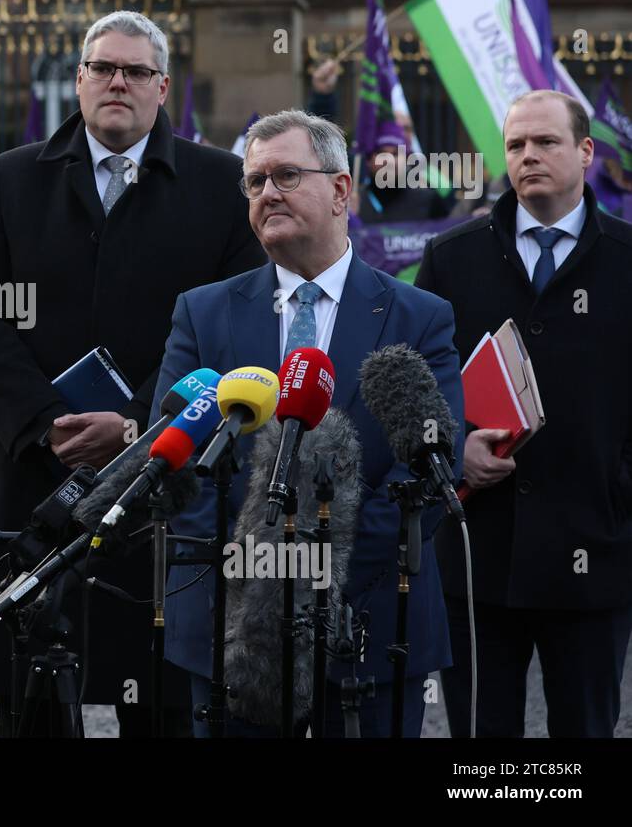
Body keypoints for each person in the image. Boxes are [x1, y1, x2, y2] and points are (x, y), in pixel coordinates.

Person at [0, 10, 267, 737]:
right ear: (79, 82)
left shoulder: (221, 183)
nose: (116, 82)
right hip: (36, 467)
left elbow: (234, 324)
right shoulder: (11, 178)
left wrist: (135, 424)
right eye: (102, 69)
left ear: (163, 87)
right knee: (29, 698)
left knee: (155, 700)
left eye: (134, 71)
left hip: (163, 471)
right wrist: (43, 423)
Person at [153, 109, 464, 737]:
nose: (268, 192)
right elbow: (173, 462)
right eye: (255, 181)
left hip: (372, 627)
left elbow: (429, 472)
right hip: (230, 629)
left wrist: (324, 573)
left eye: (287, 175)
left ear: (342, 189)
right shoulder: (203, 312)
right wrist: (256, 570)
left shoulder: (419, 317)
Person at [415, 89, 632, 737]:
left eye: (545, 142)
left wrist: (618, 490)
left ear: (586, 152)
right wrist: (454, 449)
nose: (528, 155)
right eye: (515, 145)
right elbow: (415, 387)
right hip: (477, 560)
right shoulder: (451, 259)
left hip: (596, 555)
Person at [306, 58, 452, 224]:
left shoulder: (431, 196)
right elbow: (322, 148)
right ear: (368, 160)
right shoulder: (348, 196)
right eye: (382, 153)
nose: (389, 160)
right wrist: (322, 97)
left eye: (396, 153)